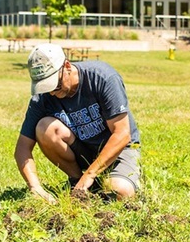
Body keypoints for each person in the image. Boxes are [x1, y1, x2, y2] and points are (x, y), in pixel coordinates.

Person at [15, 43, 140, 203]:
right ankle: (77, 182)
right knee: (44, 127)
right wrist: (35, 187)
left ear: (67, 66)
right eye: (46, 87)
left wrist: (90, 175)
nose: (52, 92)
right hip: (83, 148)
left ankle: (91, 180)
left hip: (118, 149)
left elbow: (122, 134)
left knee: (121, 191)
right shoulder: (43, 97)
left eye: (56, 84)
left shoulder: (103, 78)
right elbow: (22, 148)